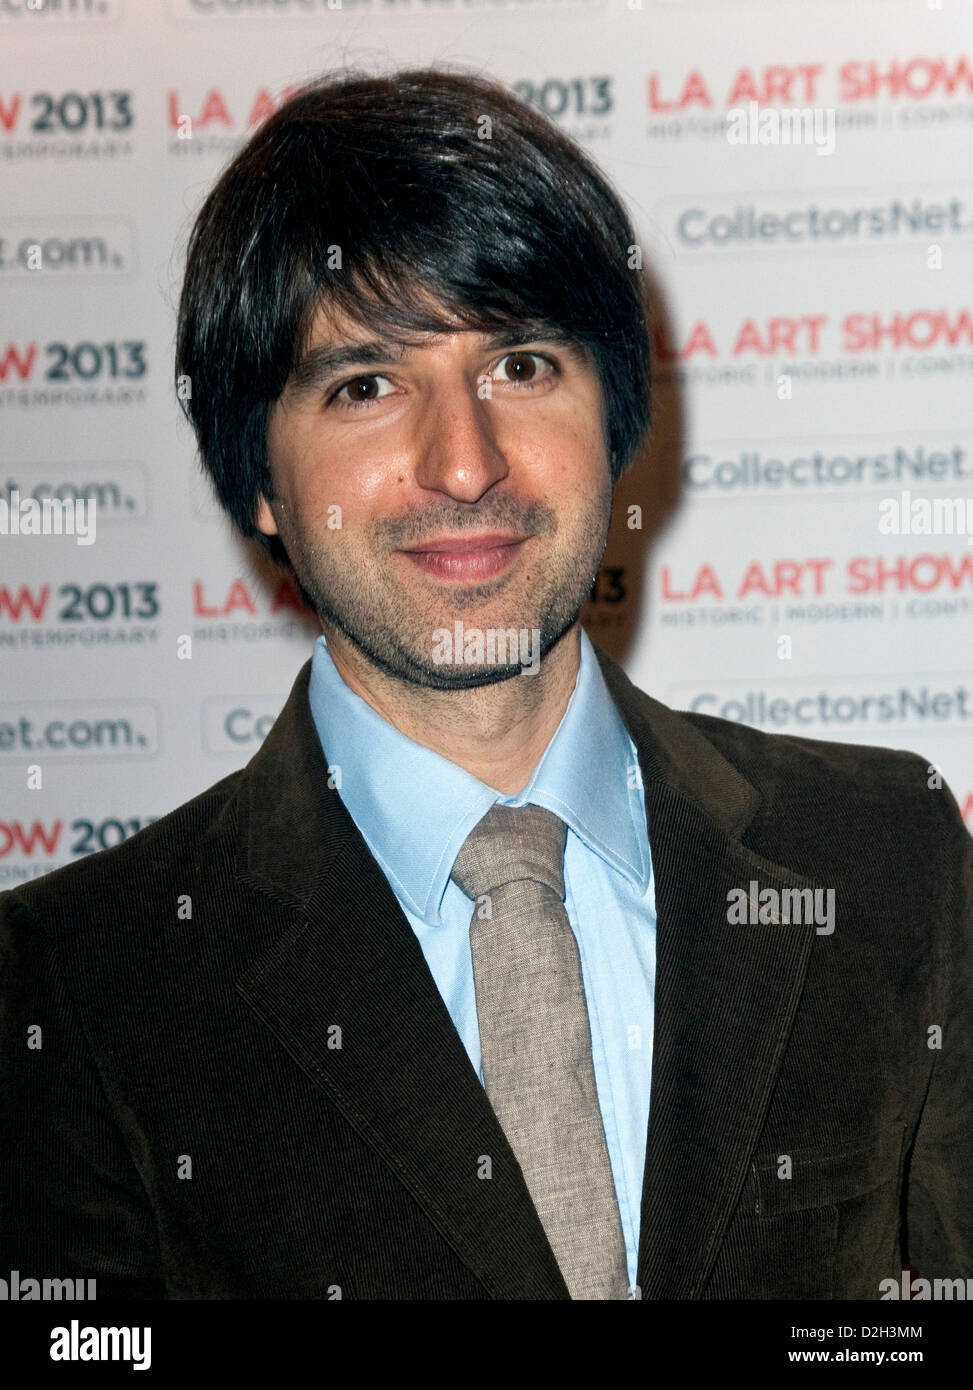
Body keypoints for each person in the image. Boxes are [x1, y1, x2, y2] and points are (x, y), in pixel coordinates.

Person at [1, 67, 970, 1302]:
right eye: (364, 384)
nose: (463, 464)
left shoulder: (884, 858)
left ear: (617, 421)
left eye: (519, 365)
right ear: (257, 480)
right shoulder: (80, 984)